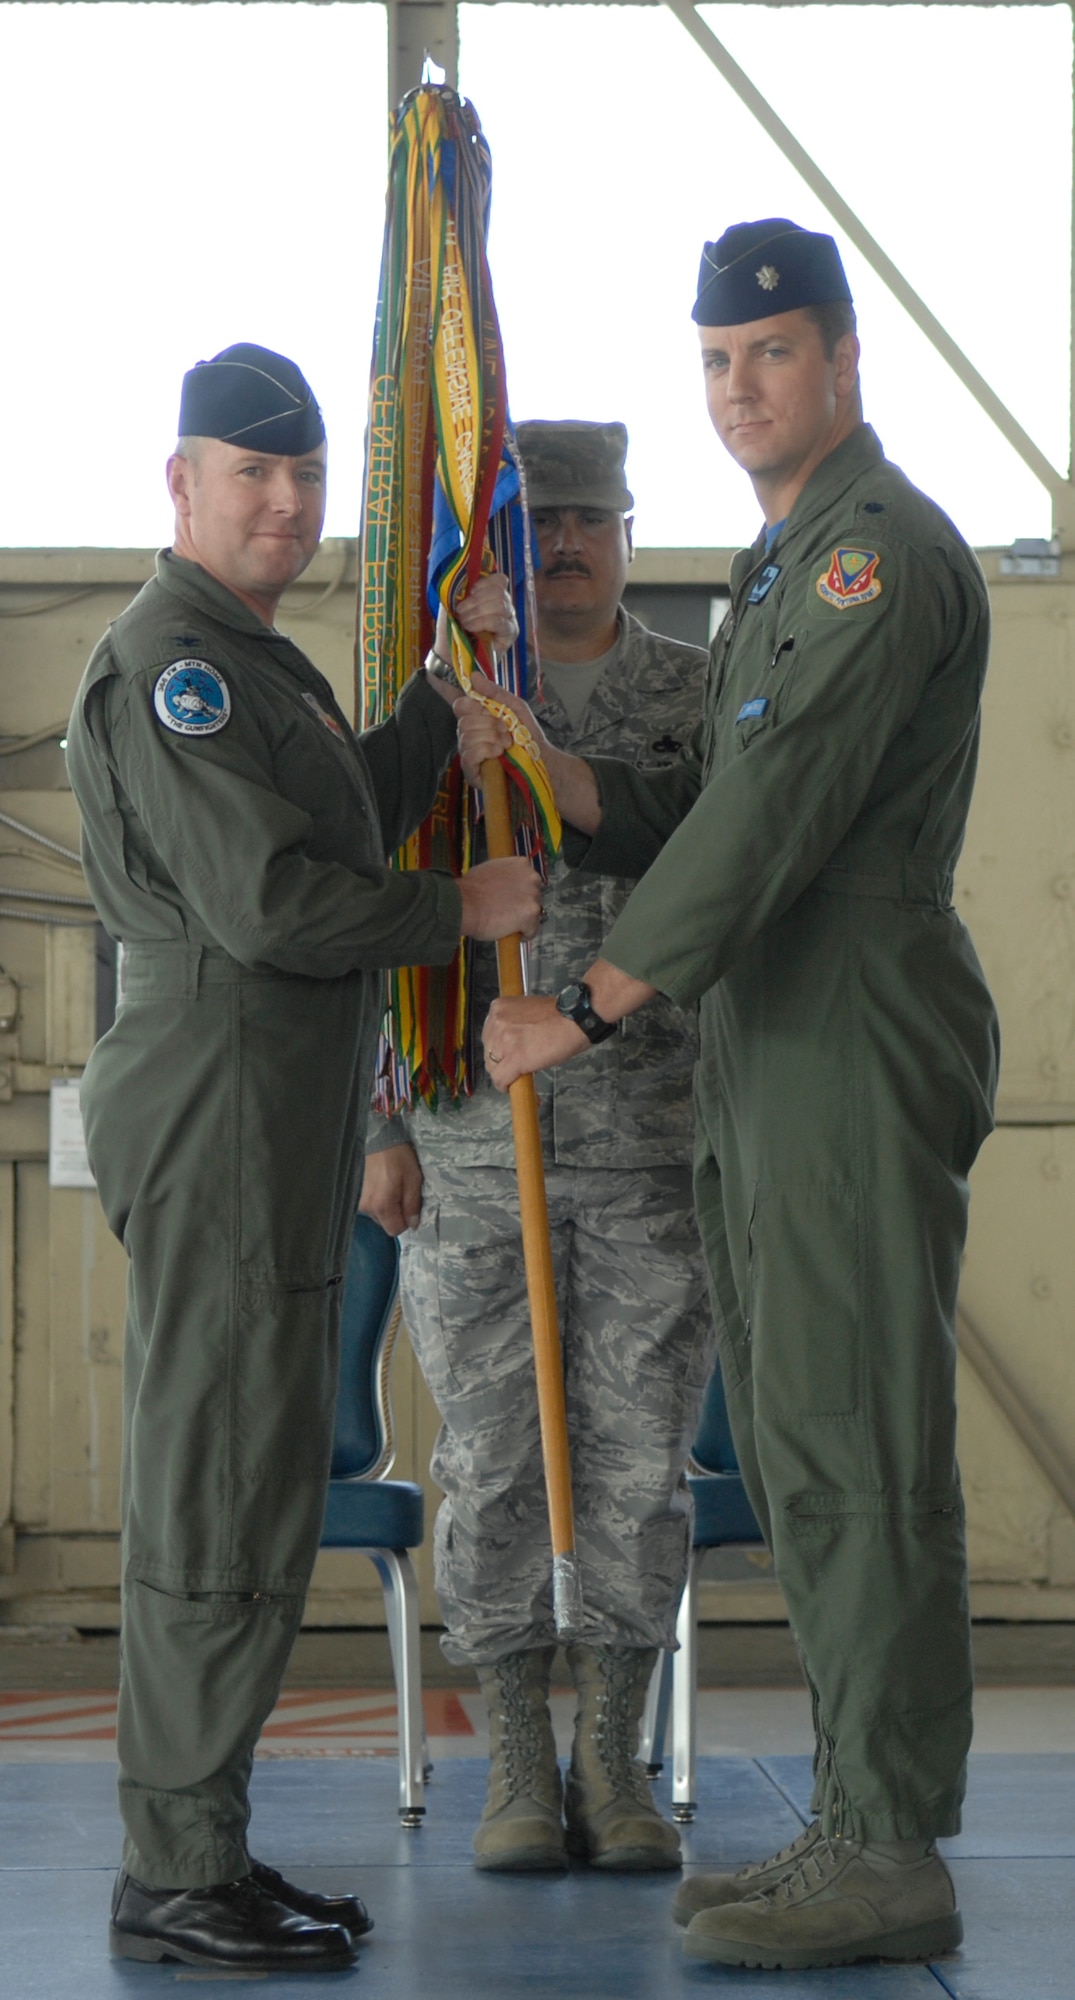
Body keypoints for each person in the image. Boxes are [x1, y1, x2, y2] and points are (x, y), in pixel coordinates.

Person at [474, 224, 999, 1971]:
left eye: (771, 353)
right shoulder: (780, 565)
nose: (739, 387)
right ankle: (852, 1816)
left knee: (860, 1442)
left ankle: (892, 1847)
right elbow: (703, 792)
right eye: (716, 361)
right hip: (771, 1040)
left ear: (843, 359)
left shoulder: (870, 559)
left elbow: (770, 824)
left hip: (849, 1020)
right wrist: (561, 775)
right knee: (795, 1440)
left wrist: (590, 1006)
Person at [65, 342, 541, 1975]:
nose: (284, 502)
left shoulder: (255, 664)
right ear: (182, 485)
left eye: (306, 476)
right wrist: (456, 909)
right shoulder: (176, 672)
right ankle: (174, 1870)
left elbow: (331, 823)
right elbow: (270, 901)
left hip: (270, 1111)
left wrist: (436, 707)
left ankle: (205, 1850)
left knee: (260, 1481)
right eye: (251, 473)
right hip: (219, 1101)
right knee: (217, 1486)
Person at [360, 419, 713, 1874]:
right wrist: (381, 1120)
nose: (564, 544)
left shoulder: (693, 696)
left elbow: (729, 879)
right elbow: (375, 896)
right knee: (493, 1455)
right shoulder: (437, 699)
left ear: (630, 535)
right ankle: (514, 1761)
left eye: (590, 520)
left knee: (637, 1457)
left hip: (647, 1140)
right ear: (503, 540)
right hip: (466, 1140)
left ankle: (612, 1764)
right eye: (541, 520)